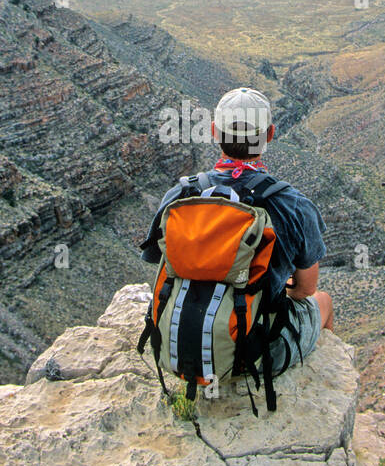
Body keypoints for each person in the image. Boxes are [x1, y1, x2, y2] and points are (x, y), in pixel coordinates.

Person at [140, 86, 332, 377]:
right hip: (252, 352)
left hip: (179, 341)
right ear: (269, 134)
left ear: (215, 132)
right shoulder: (293, 205)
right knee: (324, 301)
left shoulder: (181, 194)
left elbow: (156, 259)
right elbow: (305, 289)